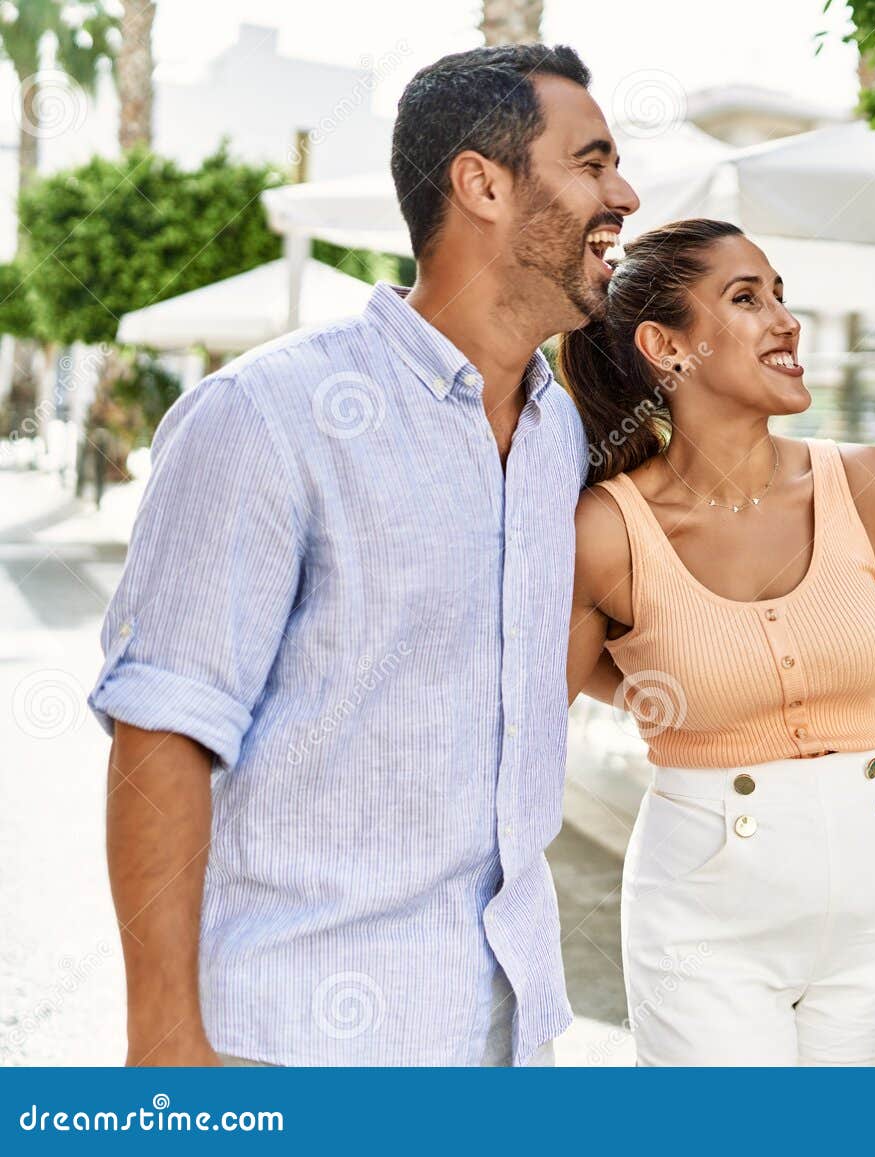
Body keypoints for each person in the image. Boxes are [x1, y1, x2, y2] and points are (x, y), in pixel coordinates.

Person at [92, 44, 638, 1067]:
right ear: (481, 182)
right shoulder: (264, 415)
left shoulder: (562, 432)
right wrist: (164, 1046)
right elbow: (161, 726)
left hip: (510, 1031)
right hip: (293, 1039)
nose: (625, 192)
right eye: (593, 161)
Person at [562, 218, 875, 1065]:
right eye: (744, 298)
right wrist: (652, 688)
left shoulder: (873, 485)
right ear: (666, 346)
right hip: (704, 919)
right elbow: (540, 693)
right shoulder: (608, 530)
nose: (785, 318)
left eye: (779, 294)